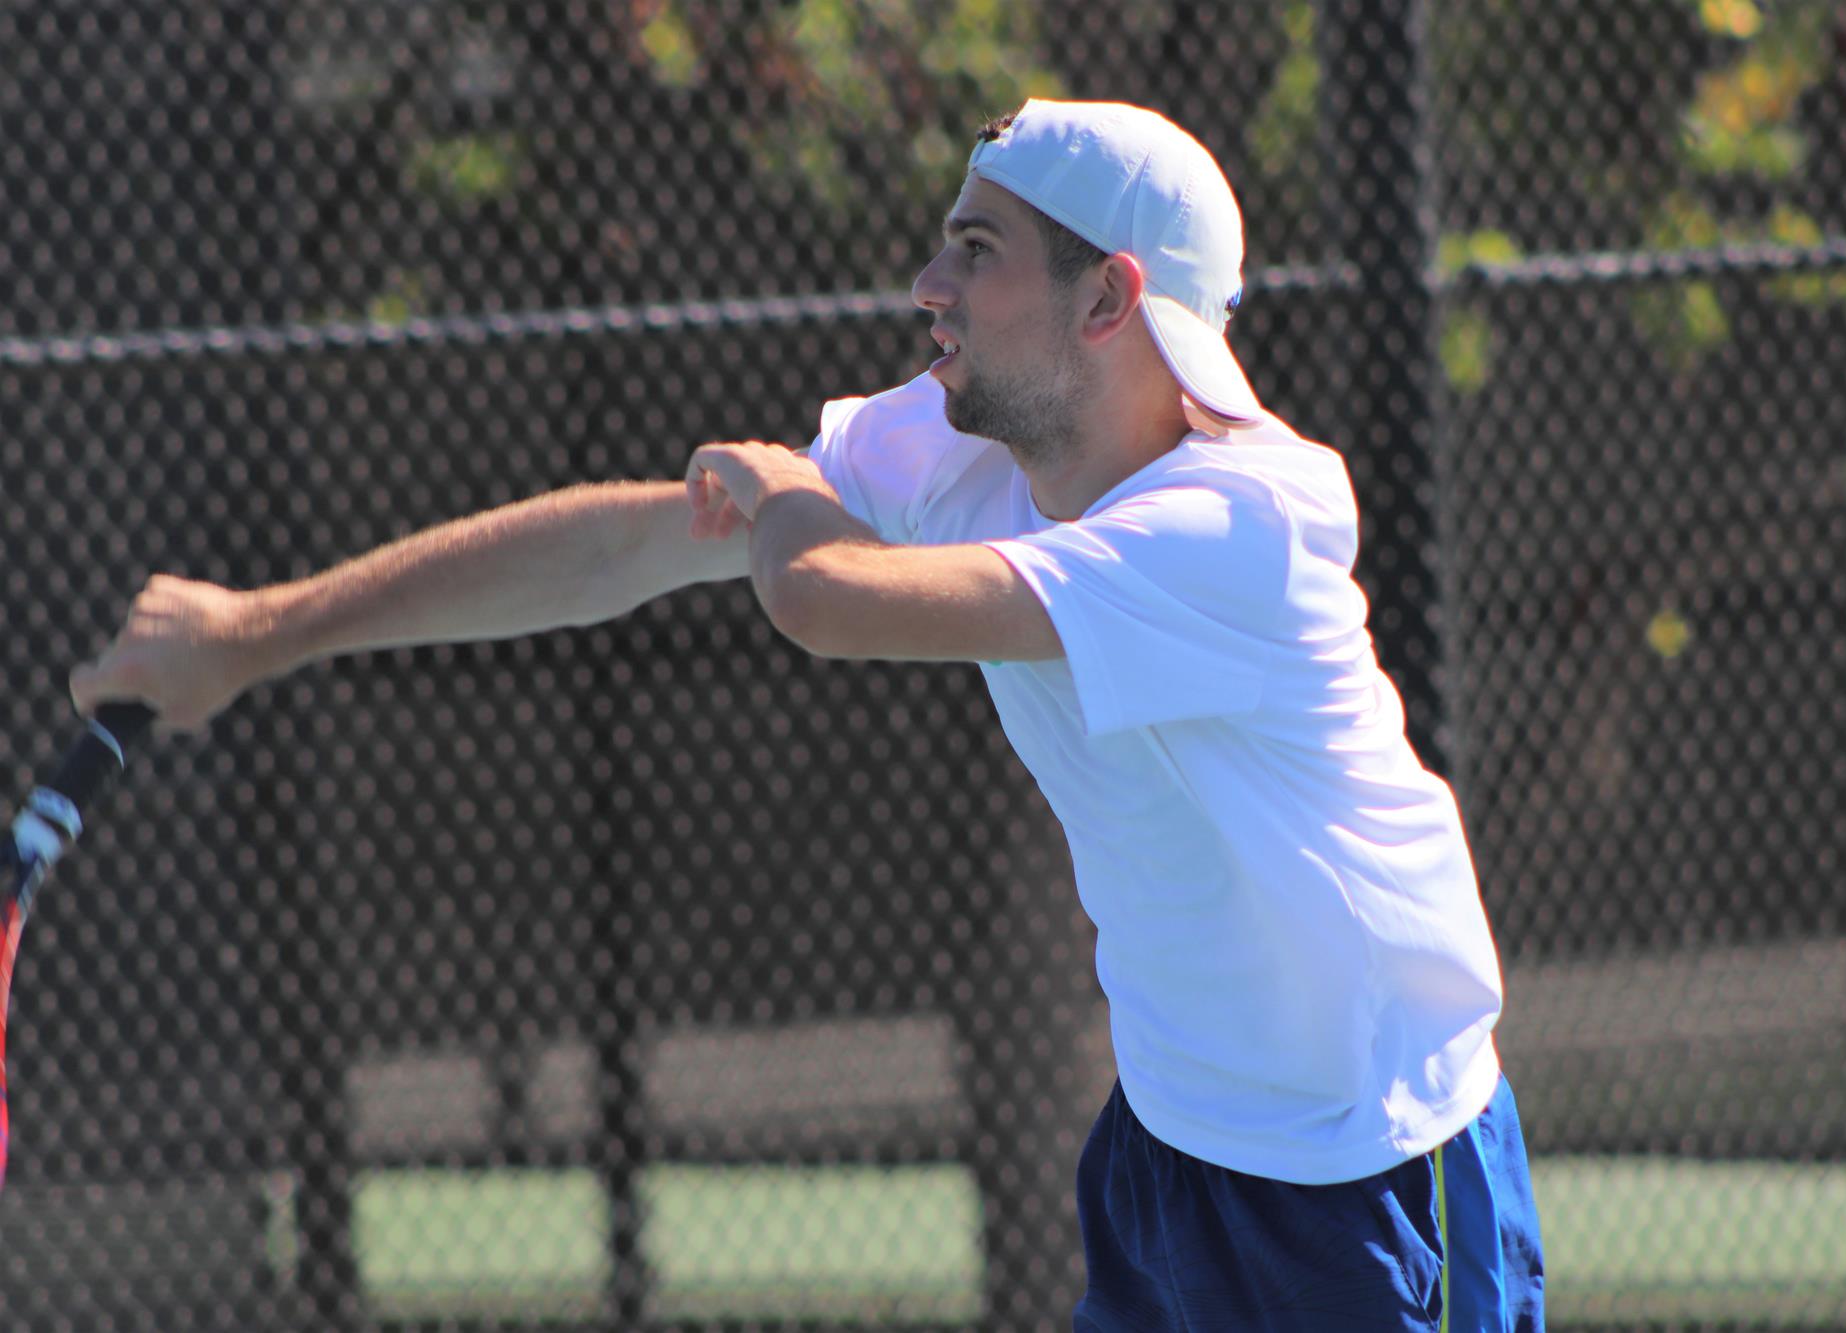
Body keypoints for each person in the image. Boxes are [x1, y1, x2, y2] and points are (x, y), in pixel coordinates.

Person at [73, 100, 1543, 1330]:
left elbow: (823, 596)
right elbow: (628, 545)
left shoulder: (1245, 525)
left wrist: (785, 489)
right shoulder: (972, 438)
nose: (927, 283)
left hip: (1367, 1170)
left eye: (976, 250)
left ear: (1110, 301)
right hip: (1169, 1147)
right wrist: (251, 635)